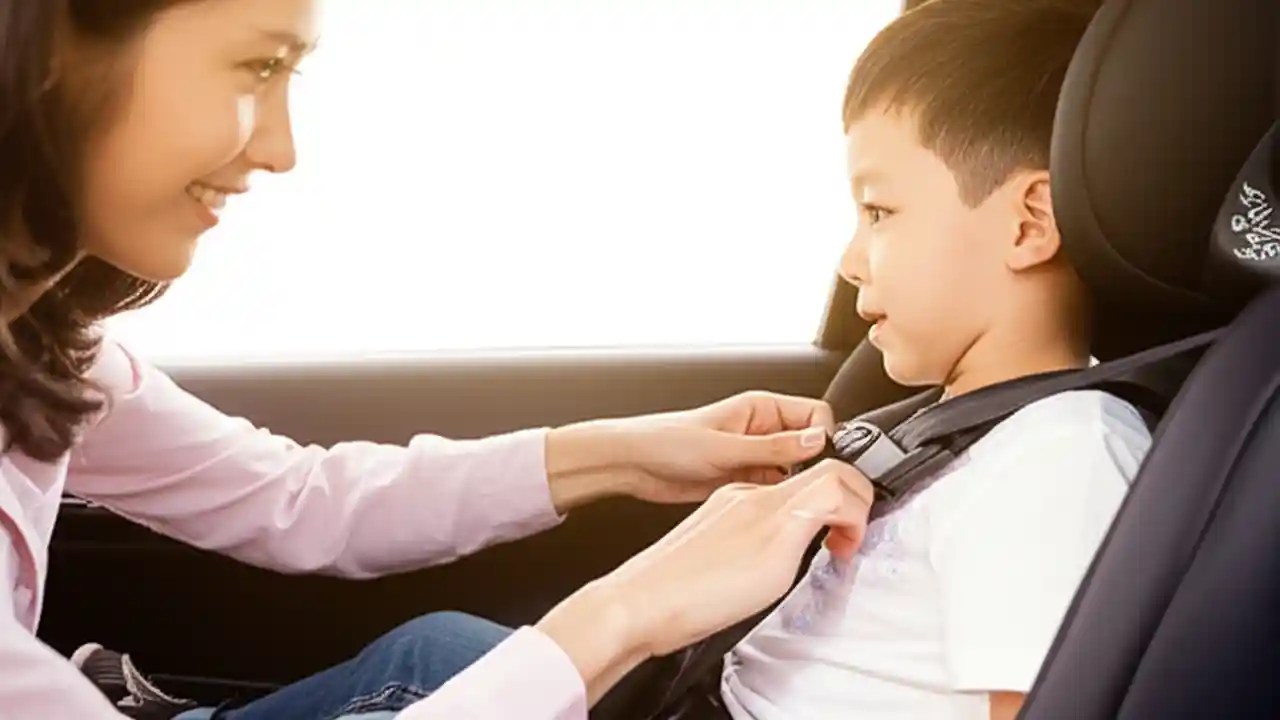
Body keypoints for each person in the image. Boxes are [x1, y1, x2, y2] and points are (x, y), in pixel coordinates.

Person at [0, 1, 878, 718]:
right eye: (257, 68)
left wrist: (631, 453)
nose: (280, 148)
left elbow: (301, 500)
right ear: (46, 46)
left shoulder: (43, 346)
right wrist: (628, 611)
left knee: (444, 655)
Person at [422, 0, 1159, 718]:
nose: (850, 261)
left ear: (1029, 222)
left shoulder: (1061, 455)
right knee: (430, 649)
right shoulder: (948, 430)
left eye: (879, 212)